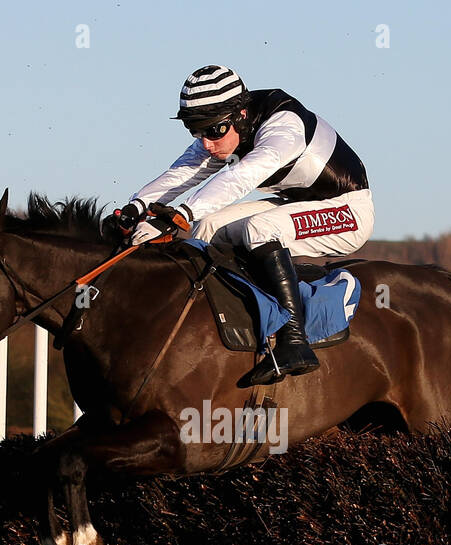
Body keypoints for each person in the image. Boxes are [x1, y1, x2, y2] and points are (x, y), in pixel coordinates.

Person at [114, 65, 373, 387]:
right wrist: (135, 207)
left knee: (258, 230)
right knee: (207, 227)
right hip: (293, 204)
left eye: (214, 131)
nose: (207, 143)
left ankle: (295, 342)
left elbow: (239, 178)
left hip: (347, 212)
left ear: (241, 114)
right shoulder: (226, 126)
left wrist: (178, 214)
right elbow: (182, 173)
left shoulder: (284, 127)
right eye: (198, 133)